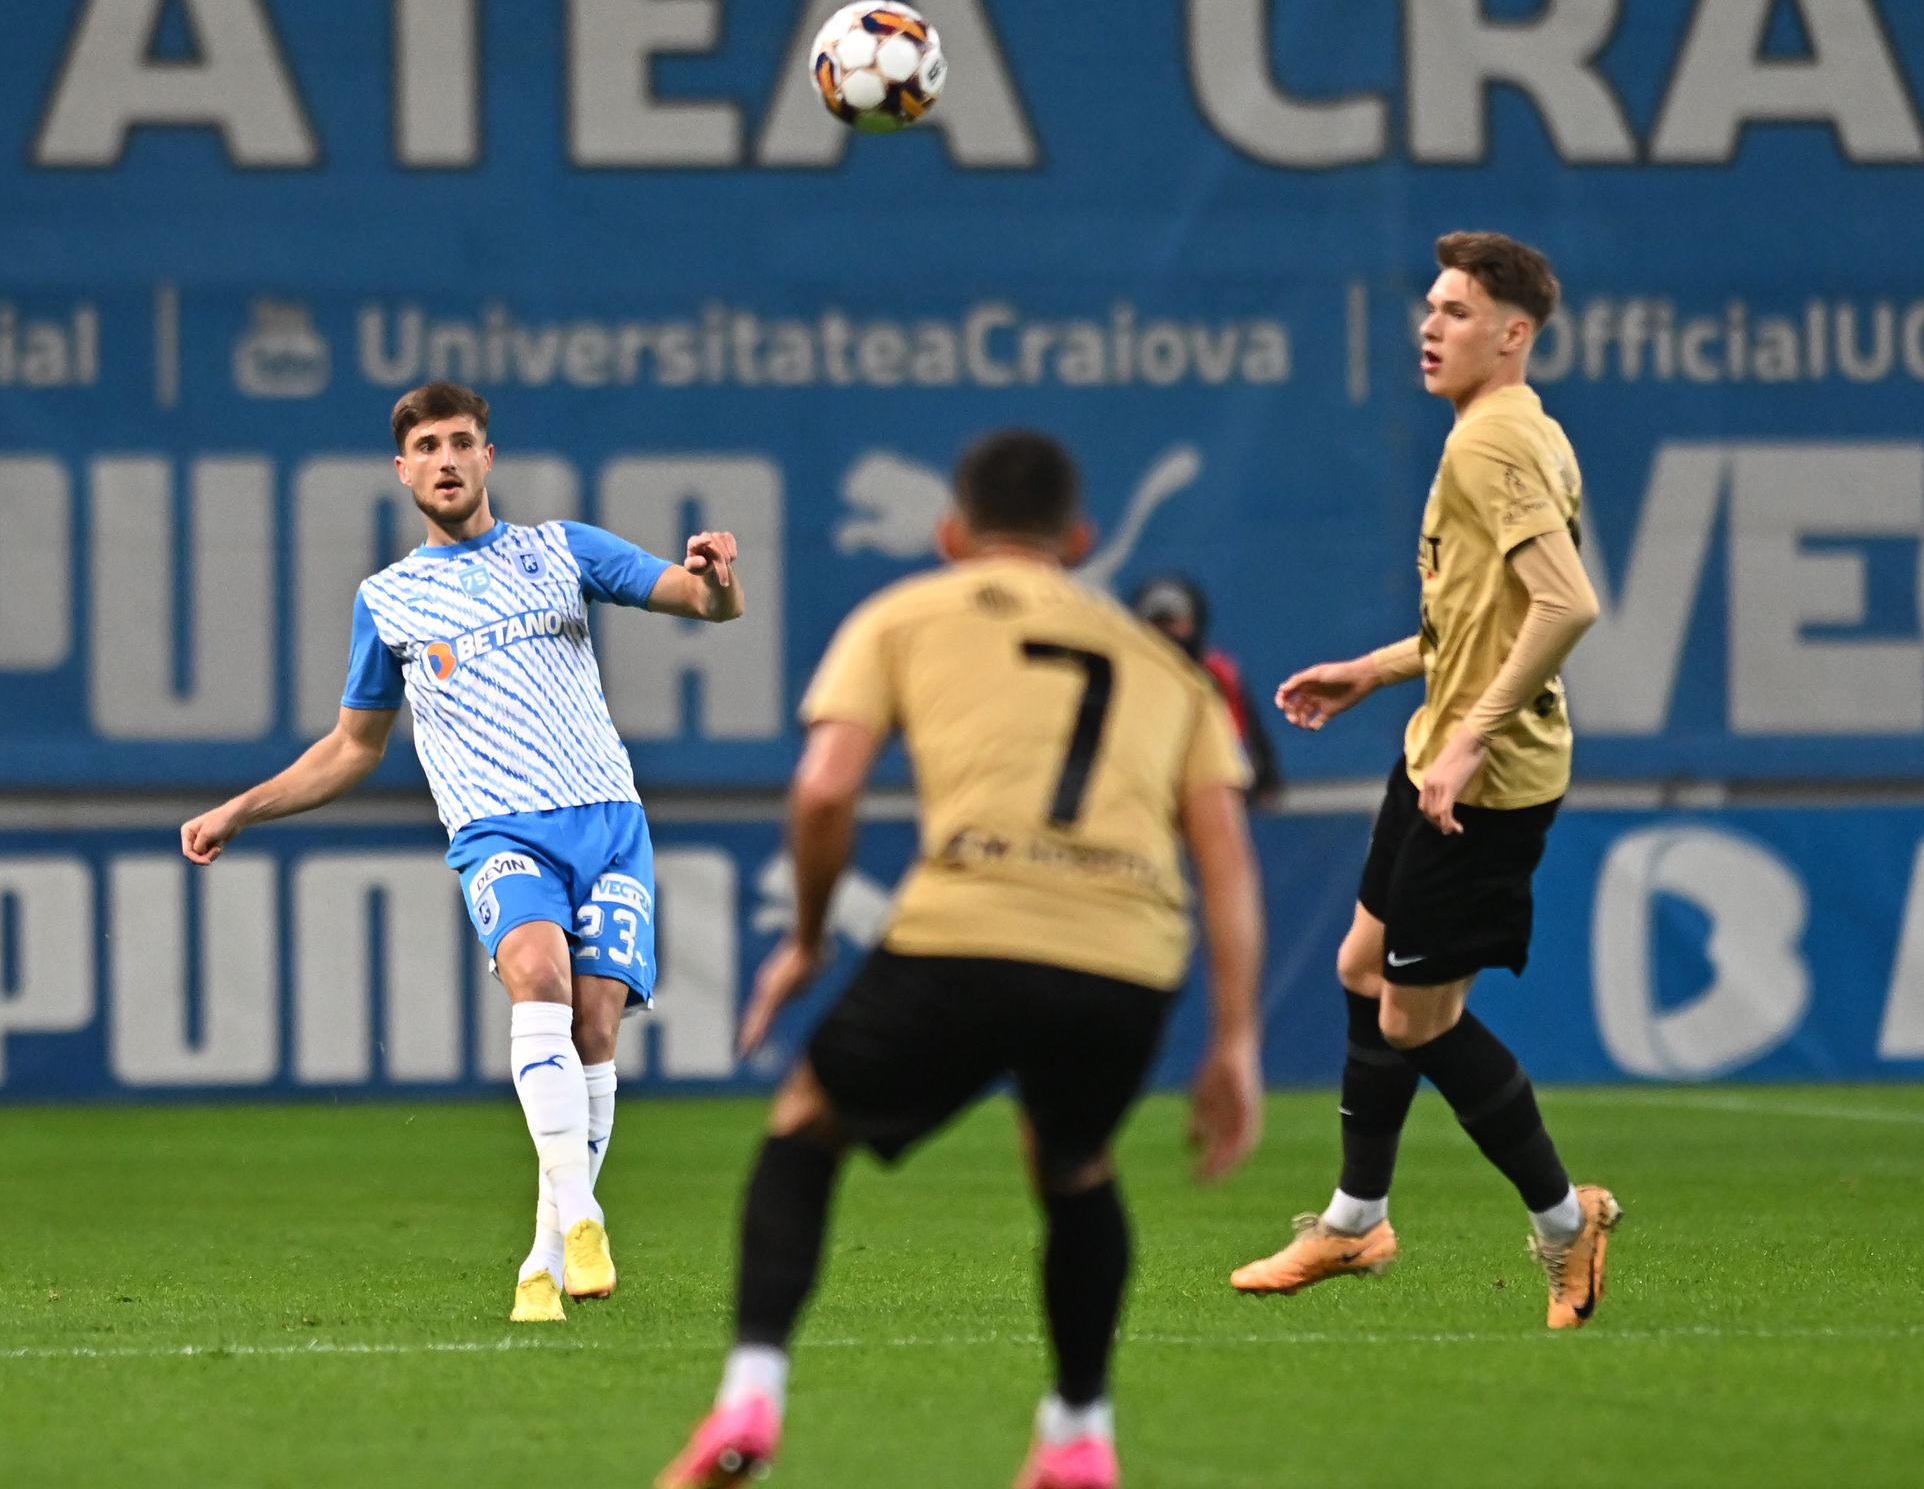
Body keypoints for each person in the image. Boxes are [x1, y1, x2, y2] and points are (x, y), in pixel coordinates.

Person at [658, 429, 1264, 1489]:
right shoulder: (1167, 666)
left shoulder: (902, 615)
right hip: (1124, 957)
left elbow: (824, 790)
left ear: (949, 533)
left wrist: (804, 944)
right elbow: (1227, 866)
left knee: (807, 1120)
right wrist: (1236, 1041)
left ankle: (748, 1395)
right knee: (1073, 1162)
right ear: (1077, 541)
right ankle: (1078, 1432)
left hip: (965, 934)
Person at [179, 381, 744, 1324]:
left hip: (607, 820)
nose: (445, 459)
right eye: (427, 446)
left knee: (597, 1028)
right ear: (401, 471)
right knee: (539, 976)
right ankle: (582, 1211)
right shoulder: (389, 600)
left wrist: (718, 574)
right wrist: (242, 808)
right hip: (499, 829)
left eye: (462, 442)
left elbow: (699, 603)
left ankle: (543, 1260)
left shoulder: (560, 550)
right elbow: (354, 747)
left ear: (489, 458)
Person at [1227, 232, 1621, 1329]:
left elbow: (1565, 604)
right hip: (1435, 754)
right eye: (1431, 307)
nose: (1429, 326)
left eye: (1455, 311)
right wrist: (1379, 669)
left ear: (1512, 334)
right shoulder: (1521, 428)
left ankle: (1561, 1221)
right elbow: (1478, 615)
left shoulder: (1489, 448)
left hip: (1480, 782)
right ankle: (1354, 1222)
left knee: (1410, 1018)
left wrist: (1467, 741)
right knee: (1362, 966)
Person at [1131, 574, 1284, 808]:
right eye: (1156, 623)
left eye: (1172, 622)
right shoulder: (1127, 678)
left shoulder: (1219, 674)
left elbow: (1252, 742)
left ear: (1194, 622)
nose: (1165, 633)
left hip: (1217, 798)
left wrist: (1264, 783)